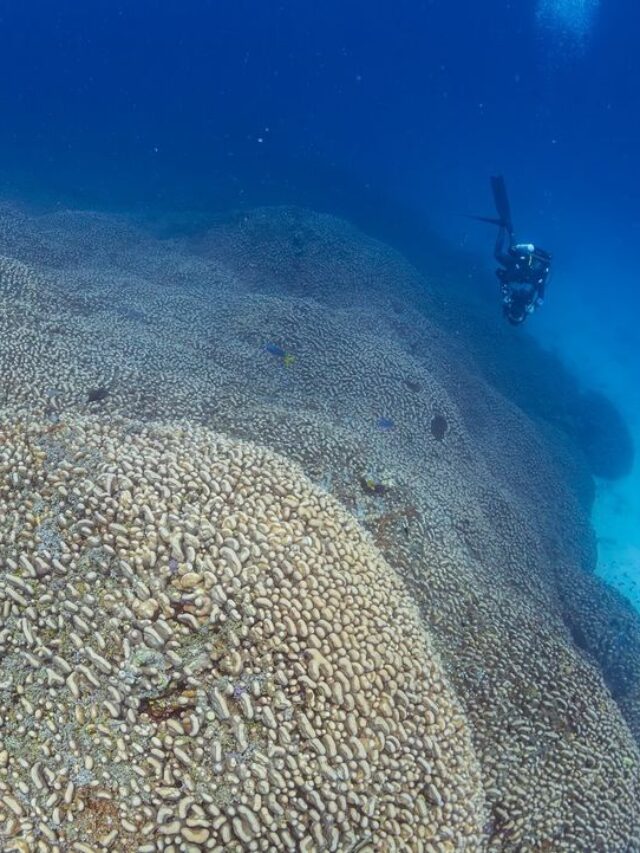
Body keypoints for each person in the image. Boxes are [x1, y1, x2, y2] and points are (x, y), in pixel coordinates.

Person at [494, 225, 551, 325]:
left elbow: (504, 280)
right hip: (523, 265)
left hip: (516, 267)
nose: (516, 312)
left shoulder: (508, 301)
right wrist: (536, 305)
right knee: (512, 251)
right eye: (518, 315)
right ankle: (508, 229)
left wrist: (504, 291)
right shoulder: (532, 303)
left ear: (508, 312)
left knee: (501, 253)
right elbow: (541, 294)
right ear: (524, 315)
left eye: (513, 314)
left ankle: (504, 228)